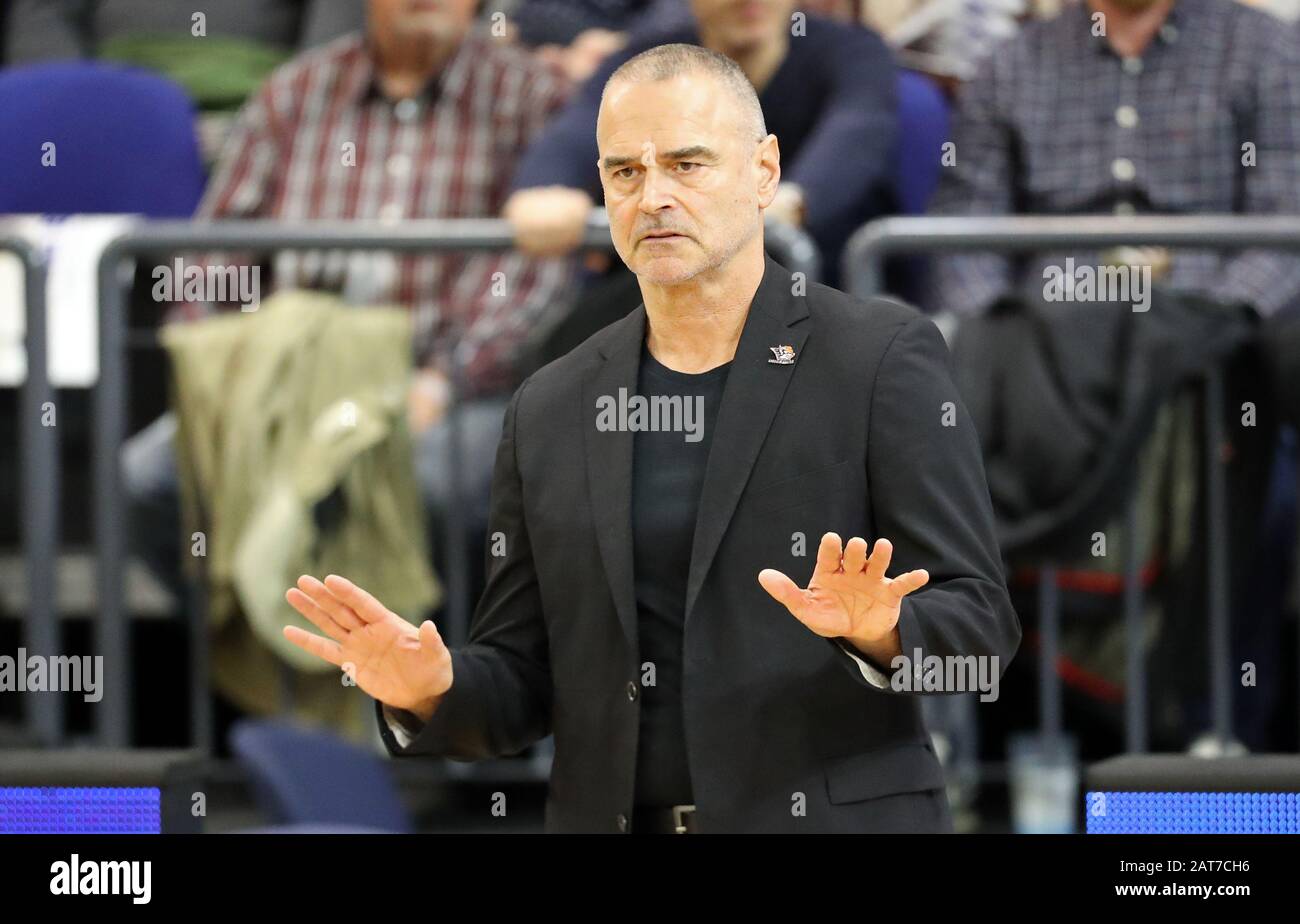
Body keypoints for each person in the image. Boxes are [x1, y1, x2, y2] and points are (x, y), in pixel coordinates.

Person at [285, 43, 1020, 833]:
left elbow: (982, 633)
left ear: (764, 171)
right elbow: (524, 681)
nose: (654, 197)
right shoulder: (552, 404)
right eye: (625, 173)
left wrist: (884, 633)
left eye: (687, 164)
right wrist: (429, 688)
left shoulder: (877, 357)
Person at [121, 0, 577, 604]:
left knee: (432, 482)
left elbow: (533, 276)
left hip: (454, 387)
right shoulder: (295, 91)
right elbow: (213, 259)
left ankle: (436, 680)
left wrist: (443, 382)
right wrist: (222, 369)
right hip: (289, 375)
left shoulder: (533, 95)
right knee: (146, 478)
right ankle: (264, 660)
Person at [503, 0, 899, 288]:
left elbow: (857, 128)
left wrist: (791, 200)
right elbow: (581, 125)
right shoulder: (651, 57)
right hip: (667, 293)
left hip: (818, 288)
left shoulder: (853, 53)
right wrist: (545, 187)